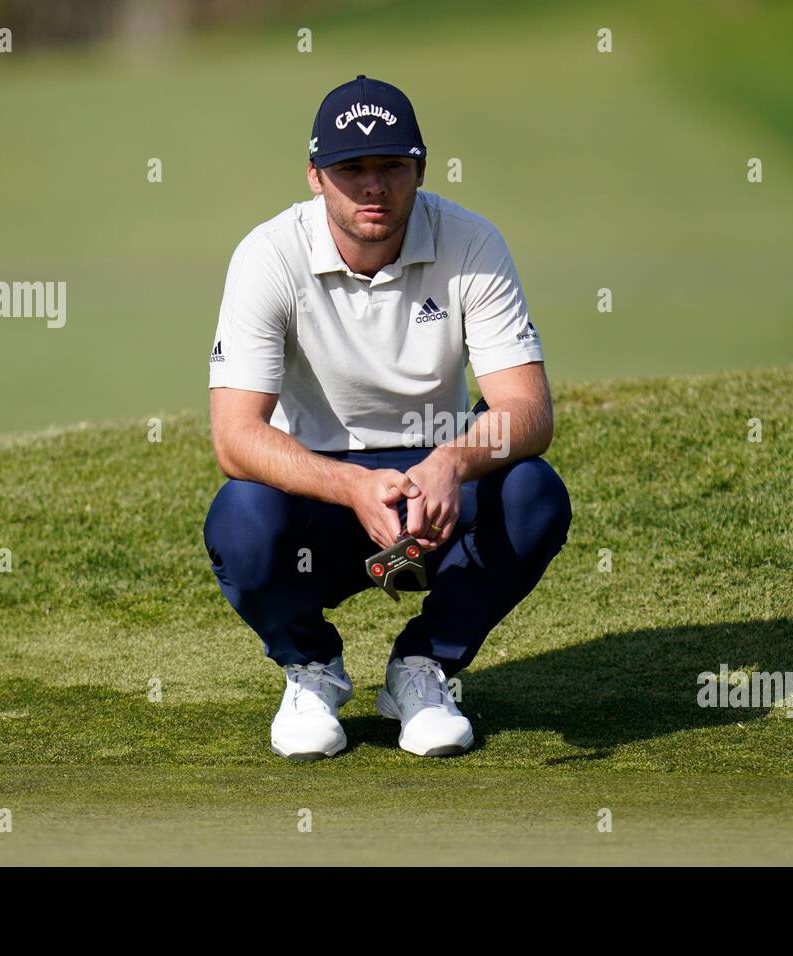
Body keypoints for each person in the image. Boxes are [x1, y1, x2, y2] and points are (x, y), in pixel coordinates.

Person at [203, 74, 571, 760]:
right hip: (320, 499)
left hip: (436, 493)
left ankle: (421, 669)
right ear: (316, 176)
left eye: (391, 166)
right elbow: (236, 437)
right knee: (239, 518)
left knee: (532, 493)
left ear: (420, 169)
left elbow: (528, 409)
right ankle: (311, 668)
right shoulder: (268, 255)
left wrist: (451, 461)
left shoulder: (472, 242)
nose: (374, 187)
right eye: (352, 169)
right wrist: (349, 487)